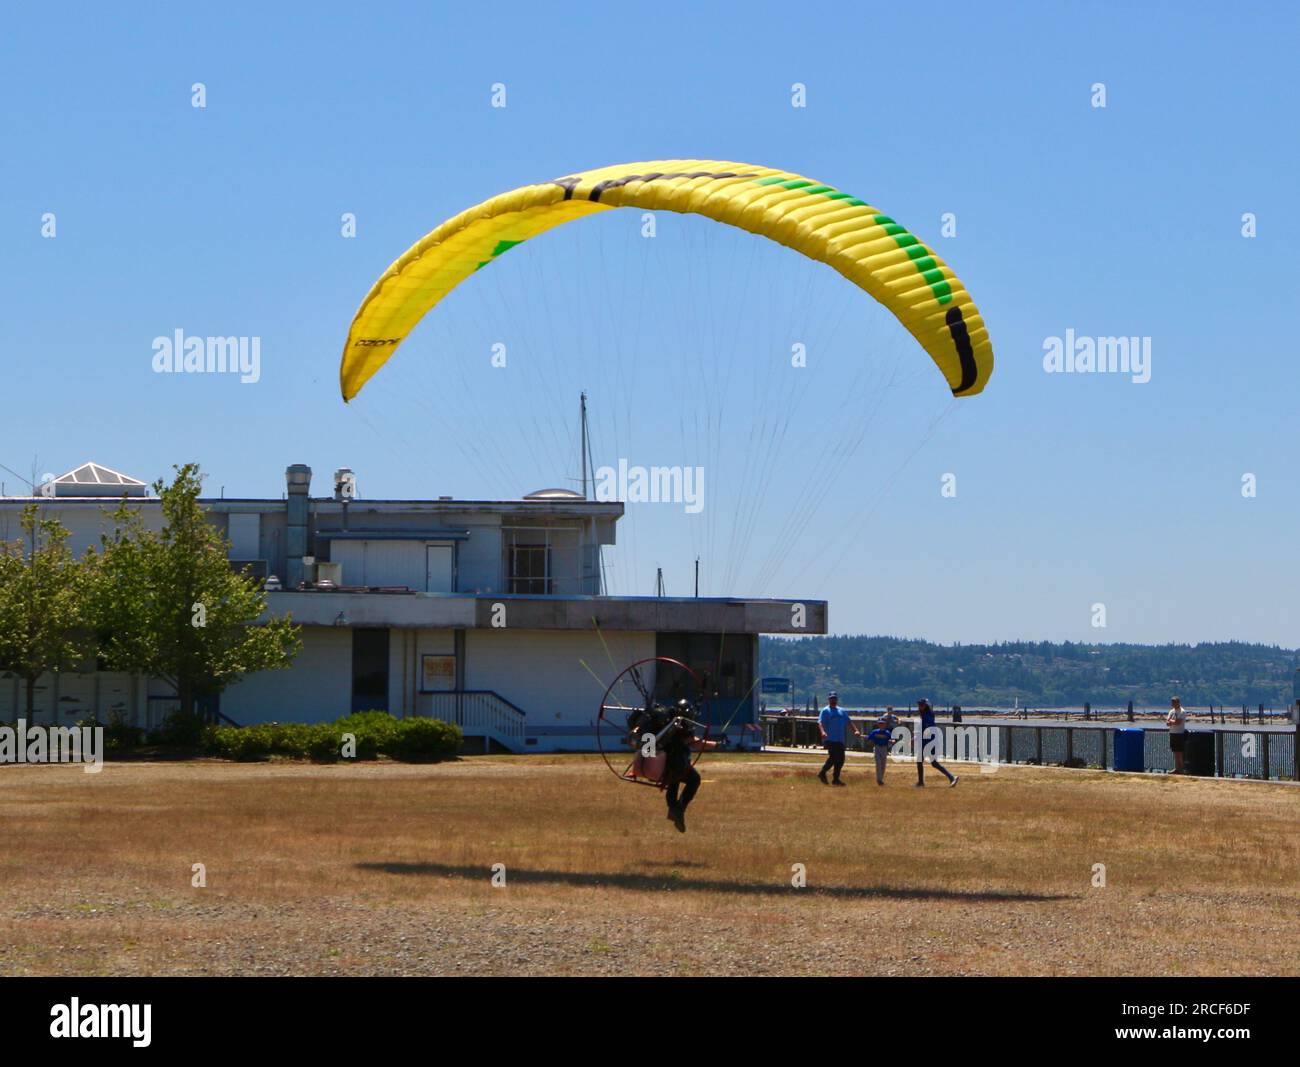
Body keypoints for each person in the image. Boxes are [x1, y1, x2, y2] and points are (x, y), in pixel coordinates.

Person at [817, 691, 860, 786]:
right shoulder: (825, 710)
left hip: (840, 739)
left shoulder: (841, 711)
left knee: (841, 759)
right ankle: (822, 772)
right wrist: (823, 732)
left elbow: (849, 722)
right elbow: (820, 723)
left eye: (835, 698)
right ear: (829, 699)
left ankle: (835, 779)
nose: (833, 700)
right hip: (830, 738)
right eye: (831, 698)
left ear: (837, 699)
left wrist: (855, 730)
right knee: (833, 757)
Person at [915, 698, 958, 787]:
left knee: (923, 762)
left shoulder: (927, 716)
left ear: (926, 706)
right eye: (919, 705)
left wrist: (917, 736)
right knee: (932, 763)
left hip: (928, 742)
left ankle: (921, 782)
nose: (919, 707)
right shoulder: (927, 715)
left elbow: (929, 729)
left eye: (921, 705)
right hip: (928, 742)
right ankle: (951, 777)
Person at [866, 716, 900, 785]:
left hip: (884, 748)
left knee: (883, 764)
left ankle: (881, 778)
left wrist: (892, 741)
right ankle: (879, 779)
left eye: (883, 724)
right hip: (877, 748)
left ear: (885, 725)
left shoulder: (887, 733)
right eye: (880, 723)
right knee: (878, 763)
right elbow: (869, 738)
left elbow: (891, 739)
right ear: (878, 724)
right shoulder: (875, 732)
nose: (881, 725)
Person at [1166, 696, 1188, 774]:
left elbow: (1178, 722)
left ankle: (1181, 769)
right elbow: (1167, 723)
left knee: (1180, 753)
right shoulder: (1171, 711)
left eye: (1174, 702)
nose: (1173, 704)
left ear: (1178, 702)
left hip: (1179, 734)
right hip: (1172, 733)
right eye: (1172, 702)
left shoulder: (1182, 711)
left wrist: (1171, 721)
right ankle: (1176, 768)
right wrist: (1173, 721)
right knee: (1175, 752)